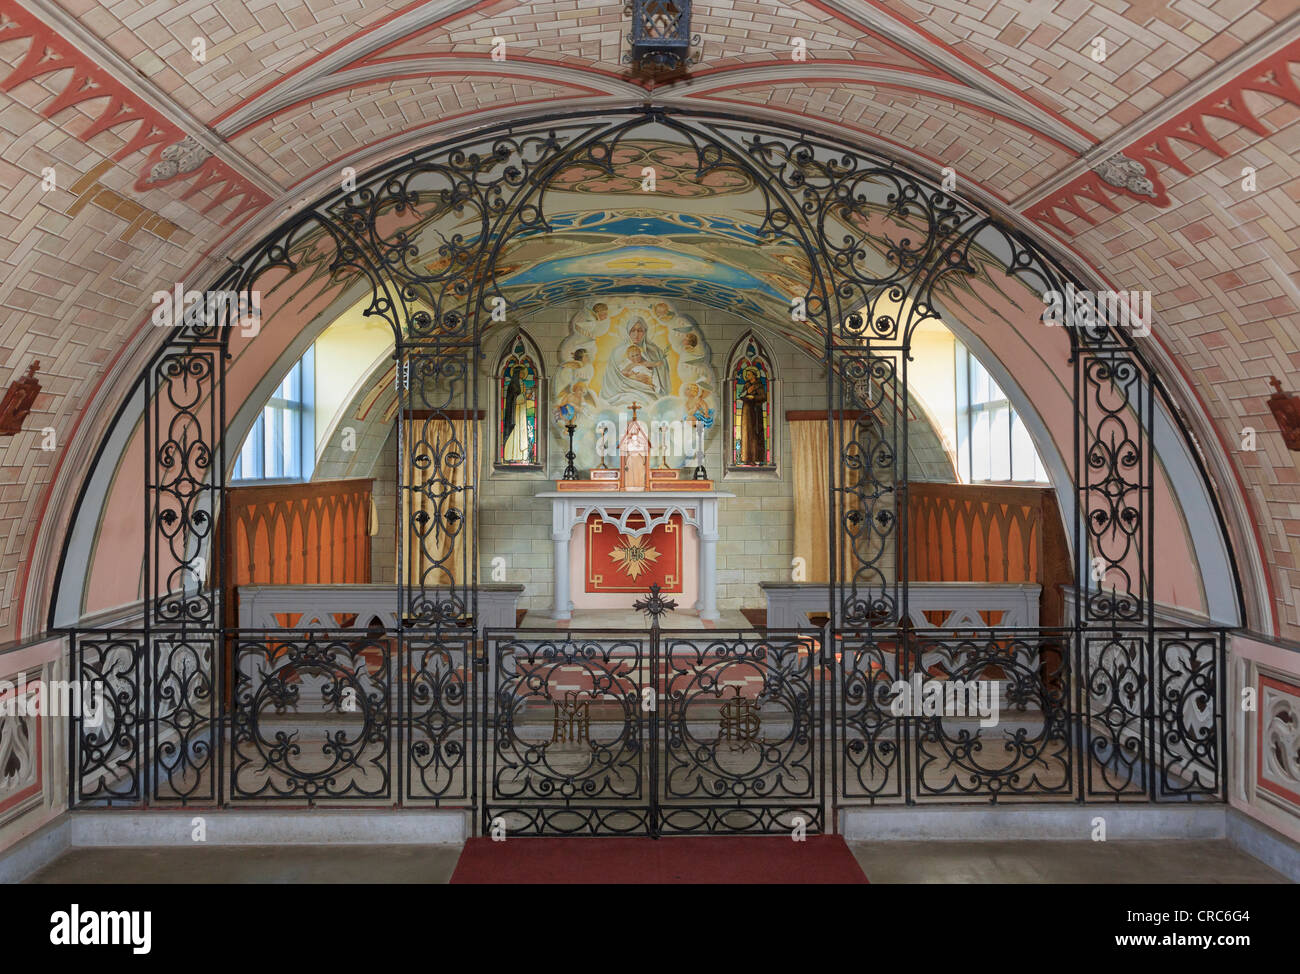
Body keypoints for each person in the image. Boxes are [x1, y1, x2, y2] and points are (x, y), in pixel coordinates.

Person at [738, 366, 767, 464]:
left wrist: (753, 397)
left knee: (755, 433)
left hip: (755, 411)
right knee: (746, 433)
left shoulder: (759, 385)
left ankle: (756, 458)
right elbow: (741, 396)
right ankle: (746, 458)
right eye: (746, 374)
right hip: (746, 411)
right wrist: (747, 392)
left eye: (749, 374)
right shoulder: (747, 385)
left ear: (754, 375)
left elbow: (763, 397)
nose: (747, 376)